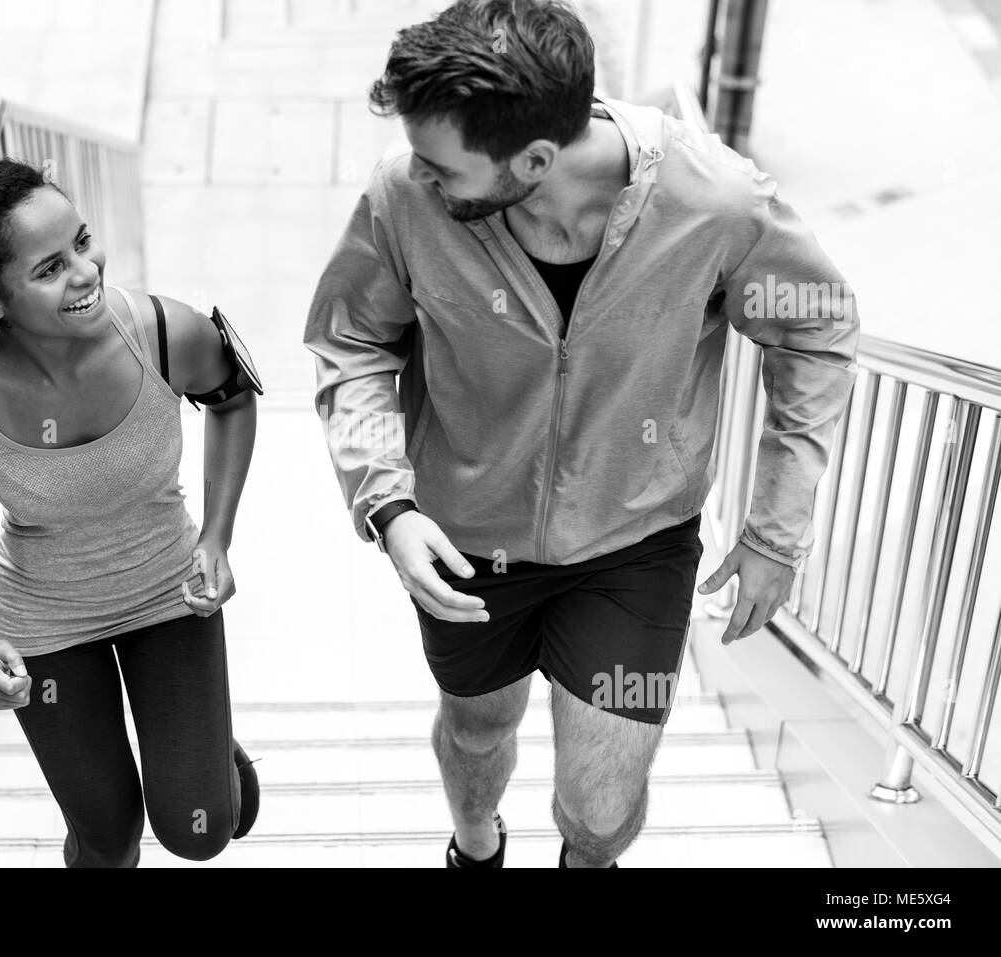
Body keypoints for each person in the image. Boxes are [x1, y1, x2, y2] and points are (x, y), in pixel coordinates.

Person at [304, 0, 859, 868]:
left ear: (532, 159)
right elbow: (352, 339)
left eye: (440, 163)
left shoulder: (712, 203)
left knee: (599, 814)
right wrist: (389, 504)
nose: (419, 175)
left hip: (634, 540)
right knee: (478, 731)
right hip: (465, 541)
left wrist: (776, 529)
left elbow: (817, 326)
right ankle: (475, 845)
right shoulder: (404, 195)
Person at [0, 154, 261, 867]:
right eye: (49, 269)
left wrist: (216, 536)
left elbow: (234, 398)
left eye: (82, 242)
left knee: (202, 830)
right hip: (45, 621)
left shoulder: (164, 333)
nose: (86, 273)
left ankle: (211, 749)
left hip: (167, 593)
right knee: (108, 841)